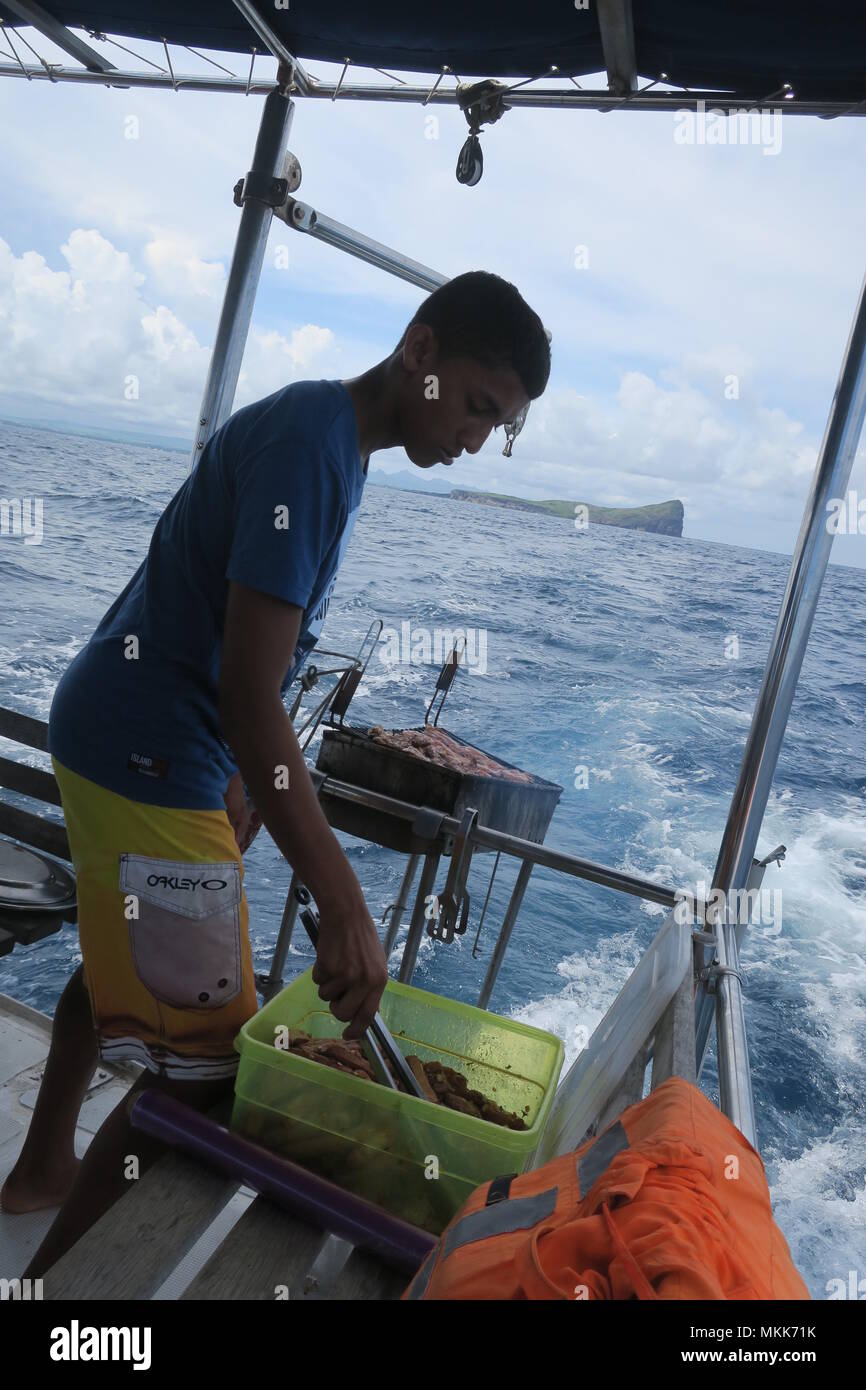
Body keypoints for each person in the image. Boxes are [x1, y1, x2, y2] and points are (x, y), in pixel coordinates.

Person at [1, 269, 551, 1275]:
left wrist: (246, 779)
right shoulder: (310, 446)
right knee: (205, 1073)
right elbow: (252, 696)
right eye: (478, 404)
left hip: (141, 739)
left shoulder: (326, 442)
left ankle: (39, 1166)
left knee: (124, 959)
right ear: (420, 351)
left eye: (499, 428)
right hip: (146, 753)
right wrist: (342, 897)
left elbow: (245, 664)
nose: (476, 436)